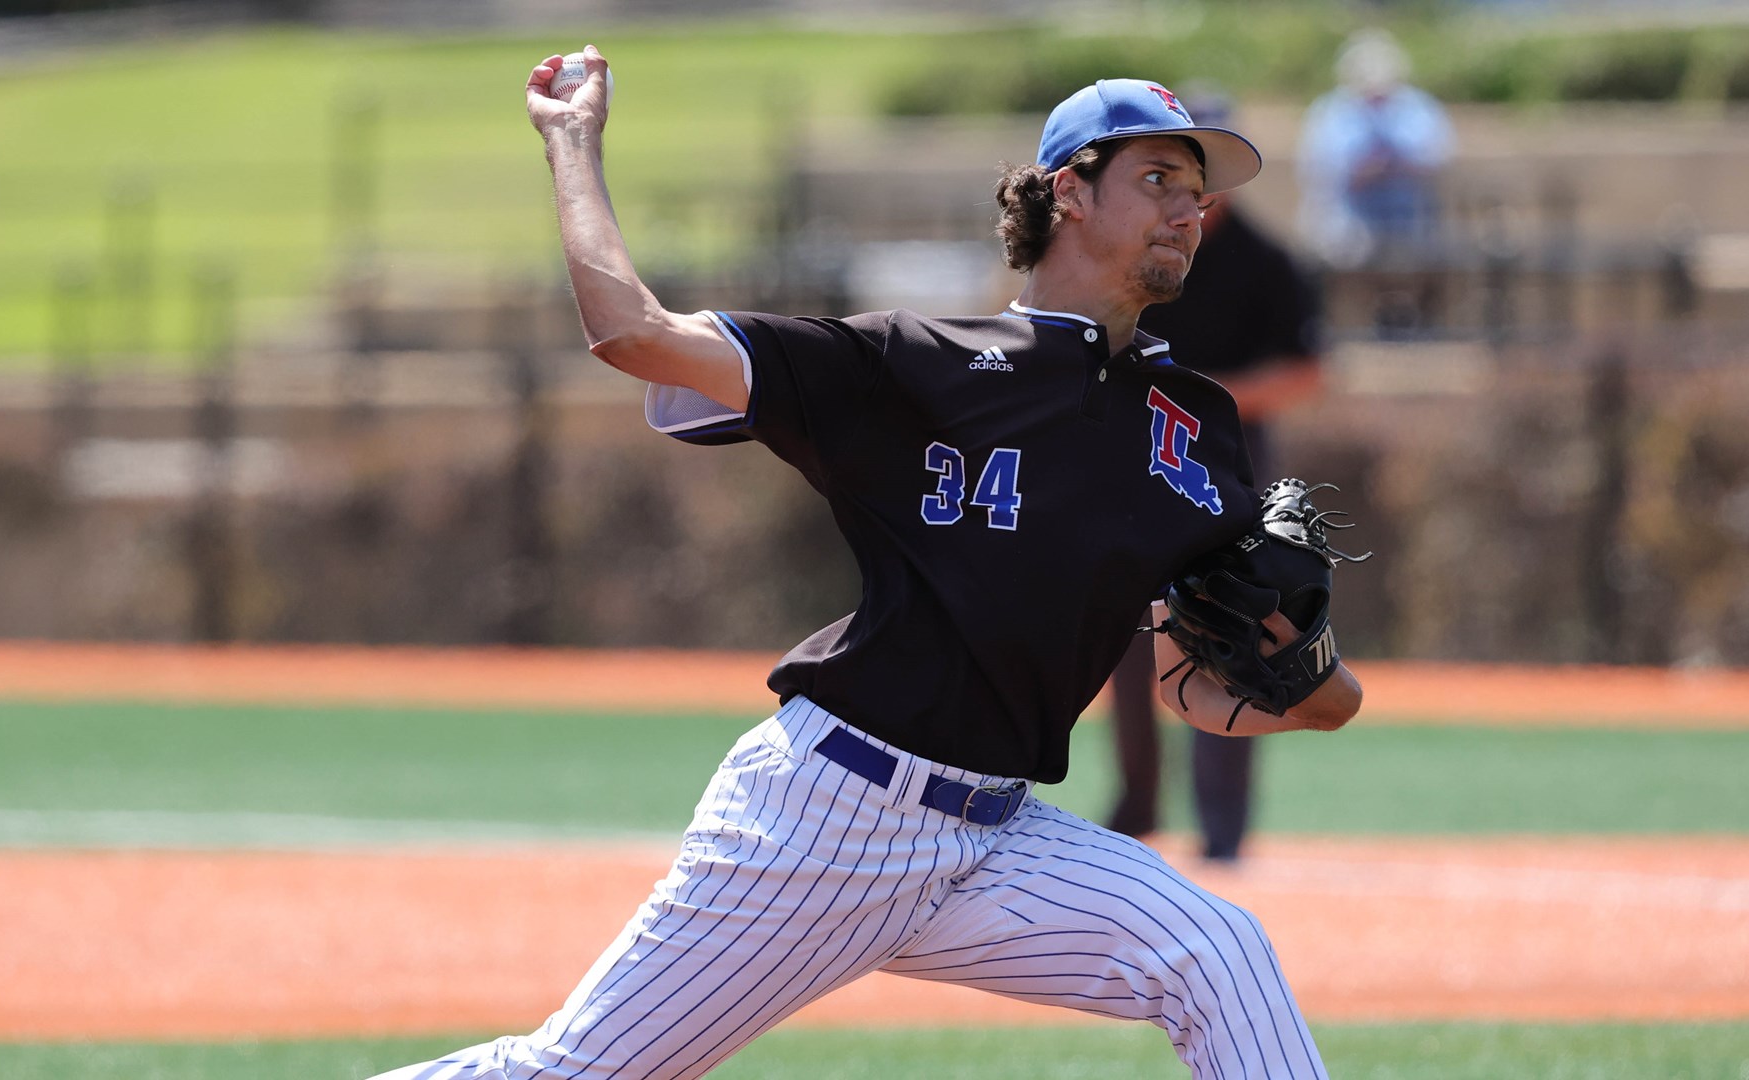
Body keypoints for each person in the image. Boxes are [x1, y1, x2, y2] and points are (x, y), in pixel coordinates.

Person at [372, 53, 1361, 1080]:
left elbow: (1196, 689)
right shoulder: (917, 359)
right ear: (1068, 191)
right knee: (570, 1075)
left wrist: (1316, 677)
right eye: (1157, 180)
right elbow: (634, 333)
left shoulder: (1189, 423)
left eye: (1197, 193)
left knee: (1217, 953)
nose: (1188, 211)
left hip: (998, 836)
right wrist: (572, 143)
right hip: (830, 819)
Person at [1106, 123, 1326, 862]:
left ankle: (1222, 829)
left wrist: (1200, 397)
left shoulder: (1264, 260)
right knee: (1125, 637)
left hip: (1225, 461)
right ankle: (1135, 809)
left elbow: (1306, 370)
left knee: (1227, 634)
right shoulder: (1136, 250)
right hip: (1130, 456)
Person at [1295, 28, 1455, 273]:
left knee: (1419, 248)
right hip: (1347, 221)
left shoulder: (1418, 107)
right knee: (1341, 244)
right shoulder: (1330, 112)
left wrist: (1402, 167)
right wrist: (1363, 172)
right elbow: (1318, 173)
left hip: (1408, 219)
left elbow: (1437, 160)